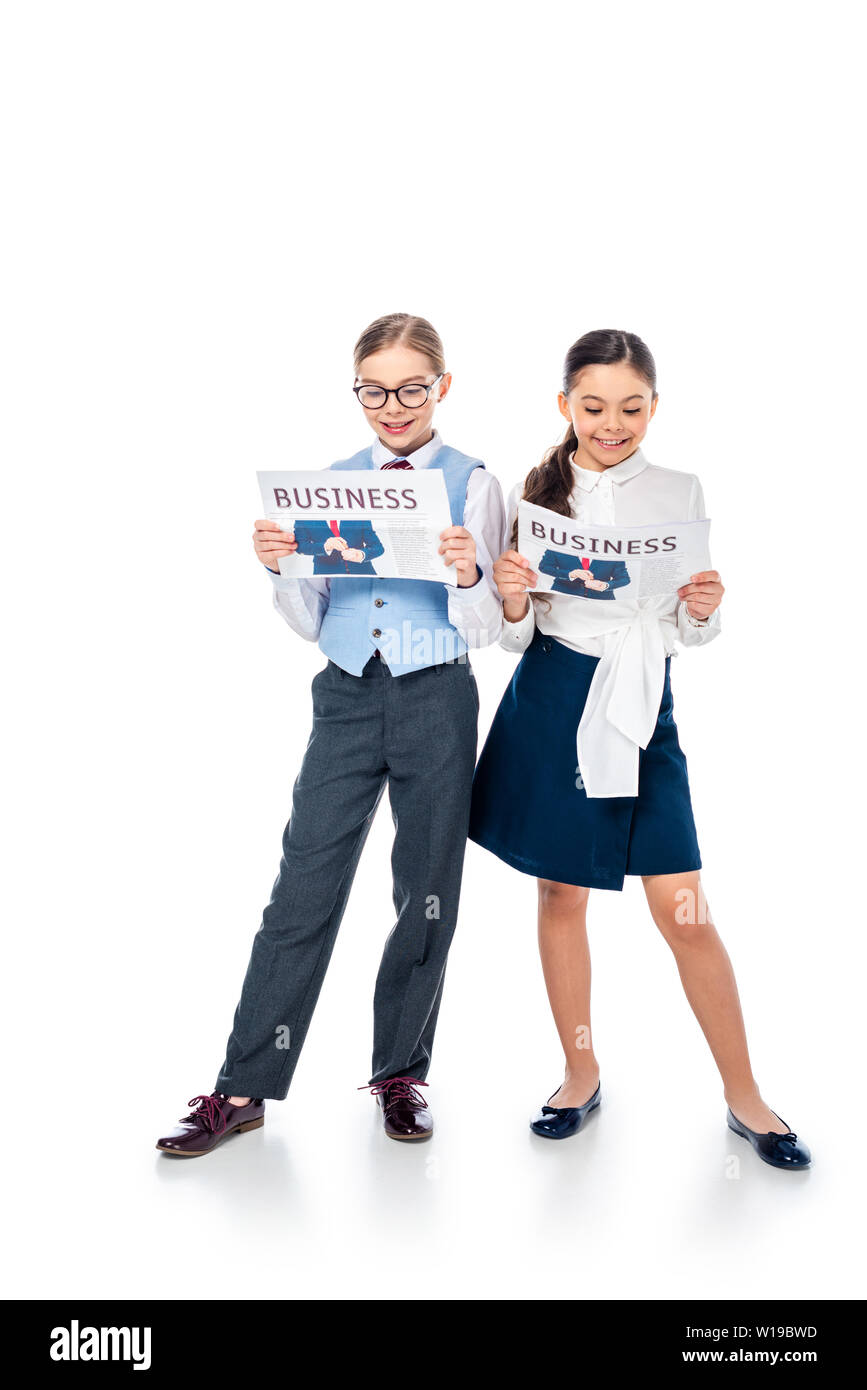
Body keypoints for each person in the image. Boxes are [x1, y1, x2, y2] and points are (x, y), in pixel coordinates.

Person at [156, 313, 505, 1156]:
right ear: (357, 391)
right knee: (302, 887)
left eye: (411, 388)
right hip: (346, 694)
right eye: (375, 390)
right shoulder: (325, 483)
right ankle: (242, 1087)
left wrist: (467, 573)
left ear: (441, 388)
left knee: (424, 891)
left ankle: (400, 1076)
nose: (392, 405)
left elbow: (489, 626)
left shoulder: (477, 484)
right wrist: (279, 567)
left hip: (437, 696)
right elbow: (313, 622)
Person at [469, 328, 810, 1170]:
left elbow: (692, 634)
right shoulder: (532, 493)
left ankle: (745, 1095)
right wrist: (512, 597)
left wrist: (704, 602)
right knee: (559, 896)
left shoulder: (681, 488)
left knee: (683, 910)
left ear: (653, 407)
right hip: (550, 700)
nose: (610, 423)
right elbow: (514, 638)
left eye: (630, 407)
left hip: (641, 706)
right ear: (564, 407)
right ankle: (578, 1072)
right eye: (592, 407)